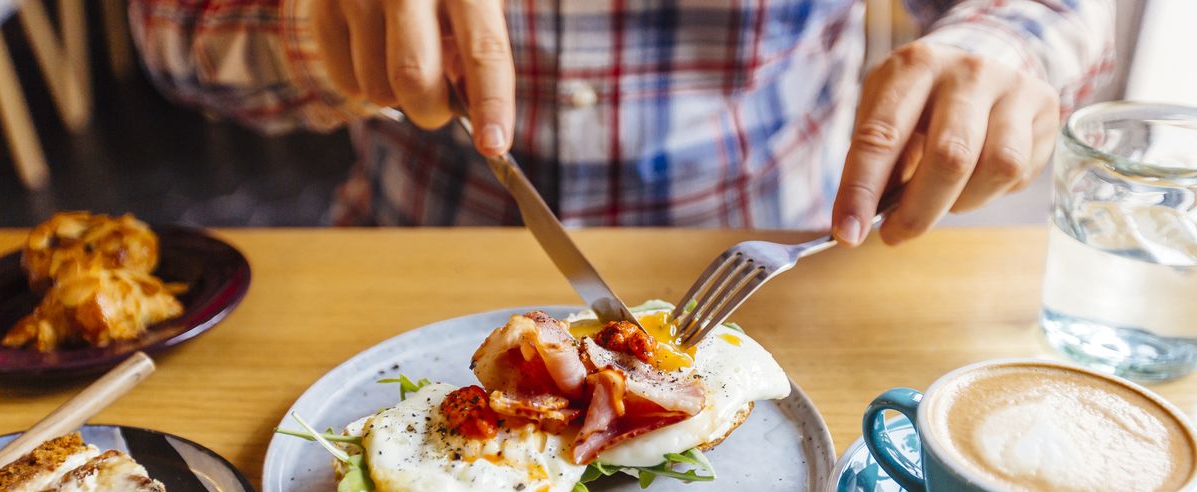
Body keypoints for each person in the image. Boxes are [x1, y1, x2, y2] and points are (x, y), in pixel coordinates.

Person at [128, 0, 1113, 244]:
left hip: (780, 279)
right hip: (406, 267)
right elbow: (169, 30)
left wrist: (1006, 44)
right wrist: (315, 26)